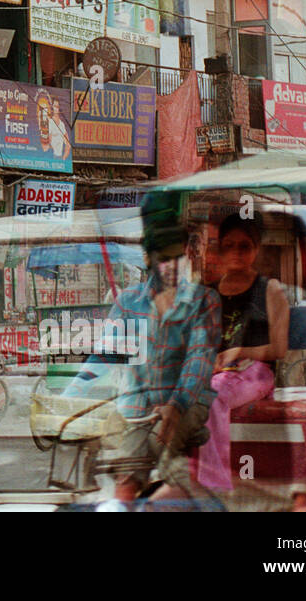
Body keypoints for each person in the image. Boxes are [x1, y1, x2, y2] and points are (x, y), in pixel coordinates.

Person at [65, 211, 220, 503]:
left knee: (160, 455)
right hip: (138, 403)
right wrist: (72, 396)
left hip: (188, 401)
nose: (172, 265)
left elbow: (198, 363)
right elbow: (106, 355)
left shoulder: (204, 302)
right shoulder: (129, 301)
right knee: (126, 474)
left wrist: (176, 405)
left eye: (178, 256)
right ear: (149, 258)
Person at [194, 213, 288, 493]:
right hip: (219, 374)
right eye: (229, 246)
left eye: (244, 246)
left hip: (257, 373)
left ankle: (215, 486)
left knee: (211, 396)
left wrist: (238, 351)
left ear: (255, 250)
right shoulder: (208, 294)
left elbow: (279, 348)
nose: (236, 252)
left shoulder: (270, 290)